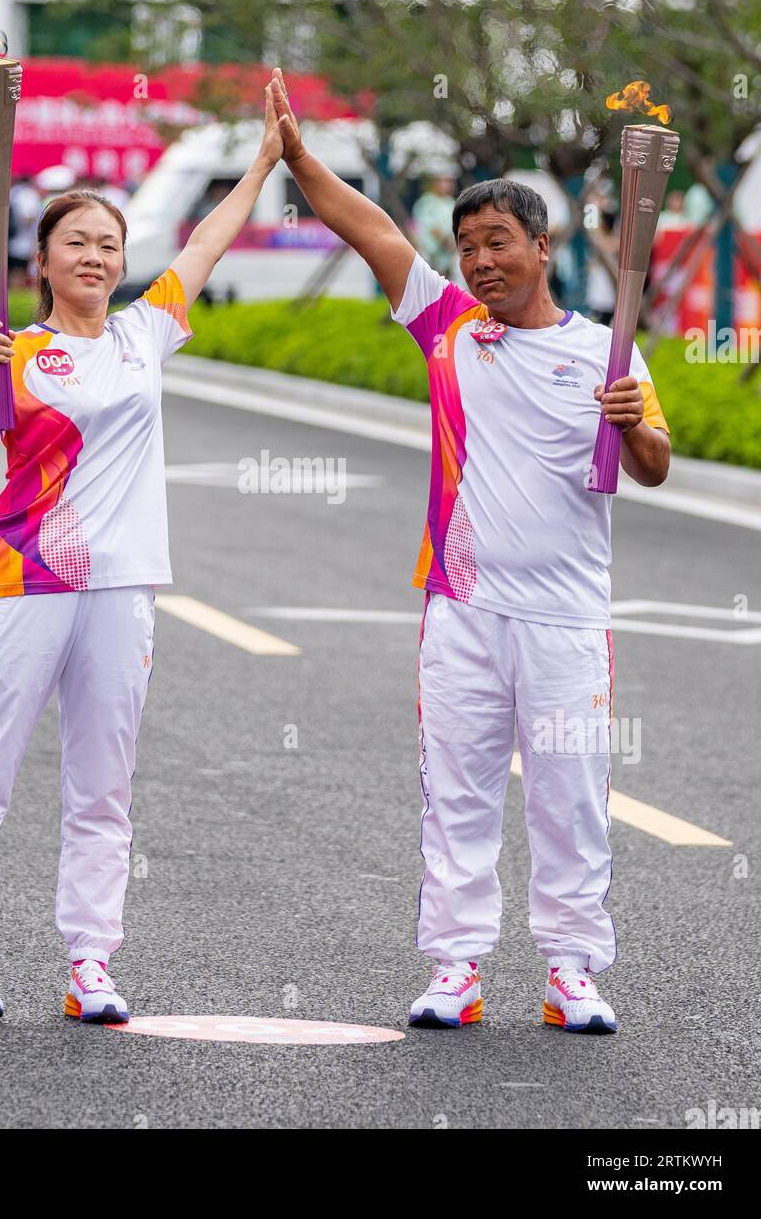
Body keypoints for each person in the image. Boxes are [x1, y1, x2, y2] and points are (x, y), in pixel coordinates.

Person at [268, 67, 671, 1035]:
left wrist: (634, 424)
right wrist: (297, 156)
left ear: (543, 246)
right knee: (458, 796)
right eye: (468, 246)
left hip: (568, 620)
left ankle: (572, 969)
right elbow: (371, 233)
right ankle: (455, 967)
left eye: (499, 243)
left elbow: (654, 464)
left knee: (570, 800)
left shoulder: (609, 355)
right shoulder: (450, 331)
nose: (481, 261)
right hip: (463, 610)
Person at [0, 87, 285, 1024]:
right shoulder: (17, 348)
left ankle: (90, 962)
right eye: (77, 243)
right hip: (24, 583)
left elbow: (205, 242)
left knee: (104, 785)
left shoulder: (142, 335)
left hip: (124, 589)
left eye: (109, 245)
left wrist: (263, 162)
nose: (95, 257)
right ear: (41, 260)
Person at [412, 174, 458, 280]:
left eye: (449, 181)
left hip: (449, 254)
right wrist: (447, 243)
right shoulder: (426, 202)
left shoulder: (452, 203)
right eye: (444, 181)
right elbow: (431, 227)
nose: (448, 185)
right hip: (430, 254)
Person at [585, 208, 618, 327]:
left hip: (605, 278)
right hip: (600, 277)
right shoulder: (615, 240)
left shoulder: (606, 241)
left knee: (604, 305)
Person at [7, 174, 41, 288]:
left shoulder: (13, 192)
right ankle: (16, 296)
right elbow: (28, 217)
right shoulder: (28, 194)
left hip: (8, 239)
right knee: (19, 271)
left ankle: (12, 295)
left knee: (11, 271)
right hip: (21, 241)